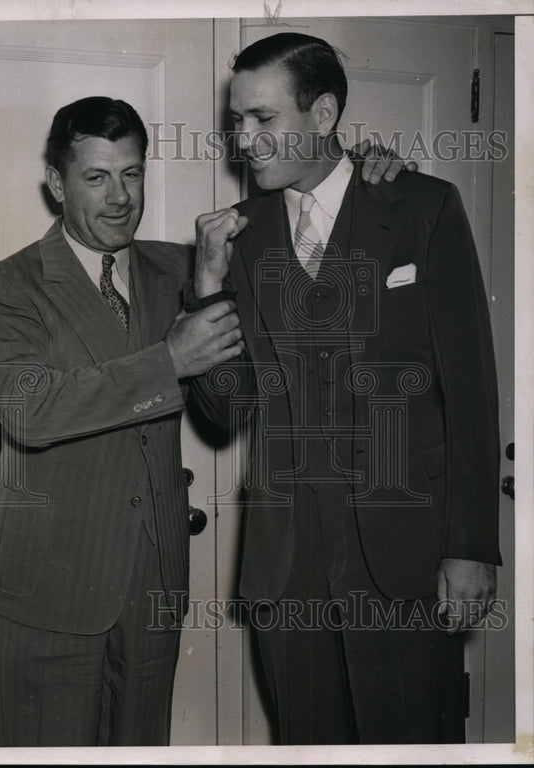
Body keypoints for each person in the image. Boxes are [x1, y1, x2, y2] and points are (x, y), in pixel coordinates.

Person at [190, 33, 500, 744]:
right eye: (238, 120)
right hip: (286, 568)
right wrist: (206, 287)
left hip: (407, 560)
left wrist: (472, 546)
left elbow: (472, 395)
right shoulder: (241, 239)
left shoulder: (422, 207)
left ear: (324, 113)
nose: (245, 140)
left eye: (264, 118)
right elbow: (225, 412)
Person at [0, 96, 245, 747]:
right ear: (57, 183)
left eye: (132, 174)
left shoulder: (179, 270)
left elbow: (229, 411)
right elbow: (31, 411)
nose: (120, 197)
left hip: (152, 586)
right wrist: (169, 359)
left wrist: (209, 287)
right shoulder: (4, 286)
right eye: (96, 177)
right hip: (46, 586)